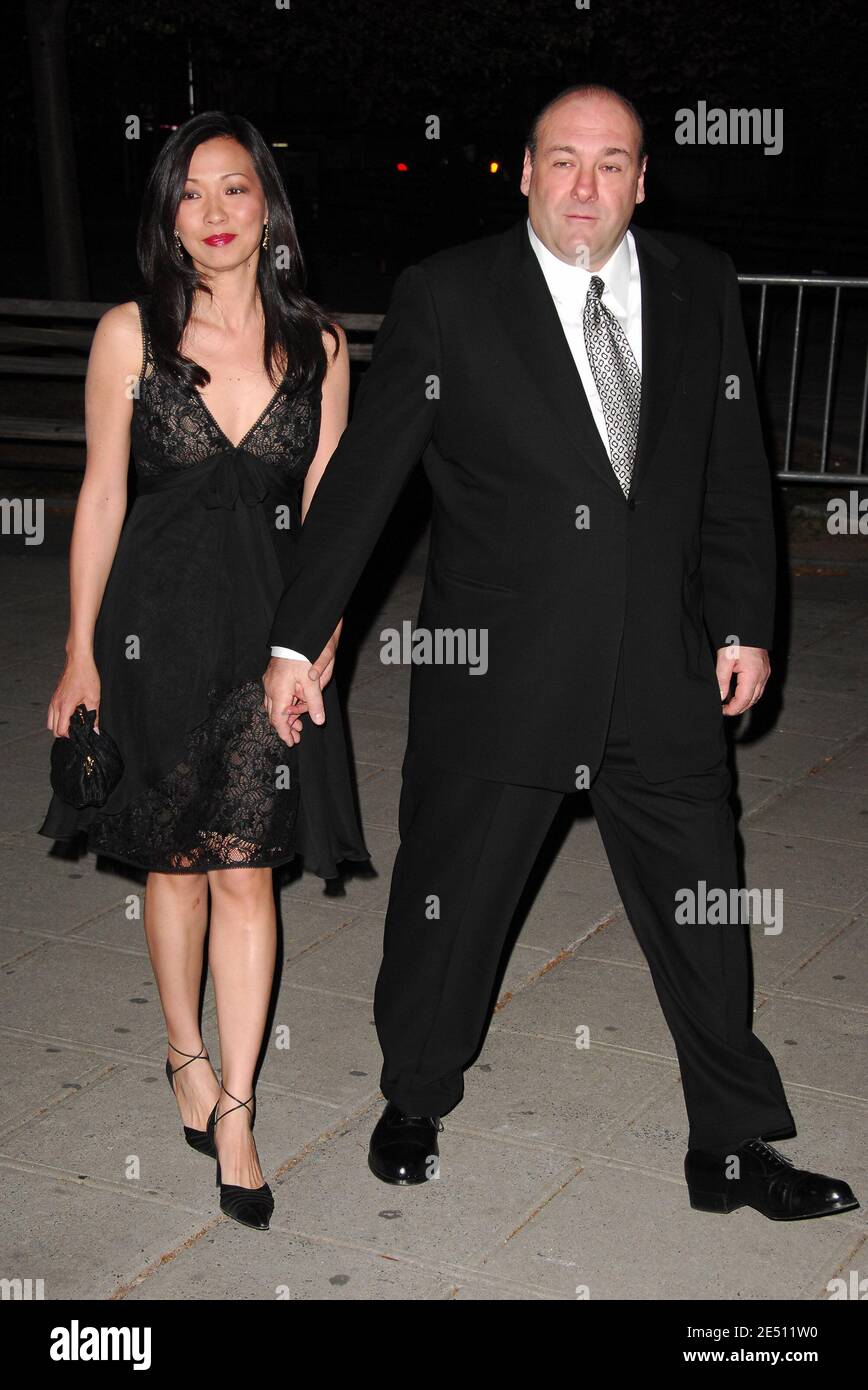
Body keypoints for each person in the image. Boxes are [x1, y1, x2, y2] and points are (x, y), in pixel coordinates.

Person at [262, 85, 858, 1221]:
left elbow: (735, 474)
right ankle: (416, 1094)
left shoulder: (700, 284)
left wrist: (743, 623)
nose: (587, 185)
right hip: (500, 673)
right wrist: (299, 634)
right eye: (564, 161)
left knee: (705, 907)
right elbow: (364, 485)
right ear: (525, 172)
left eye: (613, 163)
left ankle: (730, 1141)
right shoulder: (449, 295)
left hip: (663, 673)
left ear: (643, 179)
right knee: (452, 899)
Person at [39, 111, 370, 1232]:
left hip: (268, 644)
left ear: (266, 207)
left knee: (247, 871)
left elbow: (333, 510)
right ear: (169, 219)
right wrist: (81, 651)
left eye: (236, 190)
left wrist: (321, 642)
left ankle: (236, 1109)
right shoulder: (131, 335)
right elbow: (98, 497)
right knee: (173, 866)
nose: (217, 214)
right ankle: (182, 1048)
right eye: (193, 194)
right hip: (153, 631)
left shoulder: (320, 346)